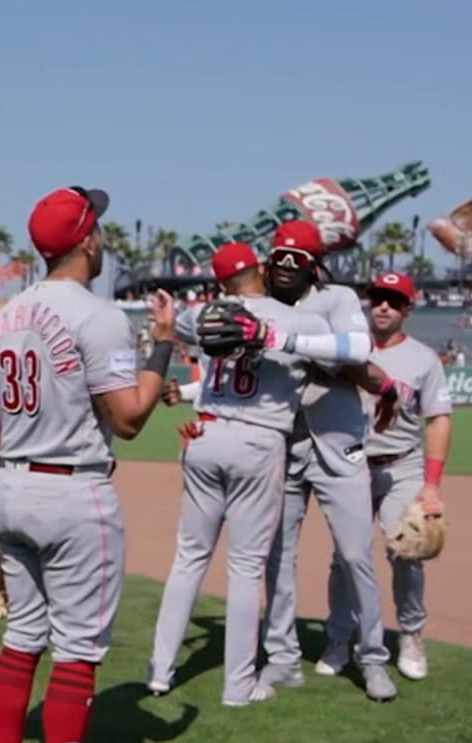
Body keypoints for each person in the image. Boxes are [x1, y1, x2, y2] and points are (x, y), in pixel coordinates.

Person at [0, 185, 174, 743]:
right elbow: (131, 418)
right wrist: (163, 347)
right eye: (99, 229)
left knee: (23, 634)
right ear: (88, 240)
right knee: (78, 647)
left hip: (7, 487)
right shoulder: (101, 315)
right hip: (73, 489)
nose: (103, 239)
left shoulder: (1, 317)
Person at [143, 242, 332, 705]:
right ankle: (238, 685)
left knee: (188, 558)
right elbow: (344, 351)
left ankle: (160, 672)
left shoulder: (206, 313)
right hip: (258, 437)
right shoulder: (300, 321)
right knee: (246, 568)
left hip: (205, 435)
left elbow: (179, 322)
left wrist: (170, 314)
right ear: (263, 269)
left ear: (222, 281)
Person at [254, 220, 402, 702]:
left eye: (296, 259)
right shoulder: (259, 306)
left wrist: (294, 344)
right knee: (278, 557)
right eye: (278, 258)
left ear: (314, 266)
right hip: (283, 445)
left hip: (340, 443)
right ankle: (280, 654)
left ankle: (373, 657)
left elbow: (357, 351)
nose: (285, 267)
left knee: (356, 553)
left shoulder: (335, 298)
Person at [325, 271, 452, 680]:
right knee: (346, 556)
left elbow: (438, 421)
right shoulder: (347, 349)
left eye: (394, 300)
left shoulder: (424, 359)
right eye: (378, 297)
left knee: (407, 551)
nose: (383, 305)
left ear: (407, 309)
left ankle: (411, 634)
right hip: (352, 464)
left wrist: (431, 485)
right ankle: (338, 638)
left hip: (402, 464)